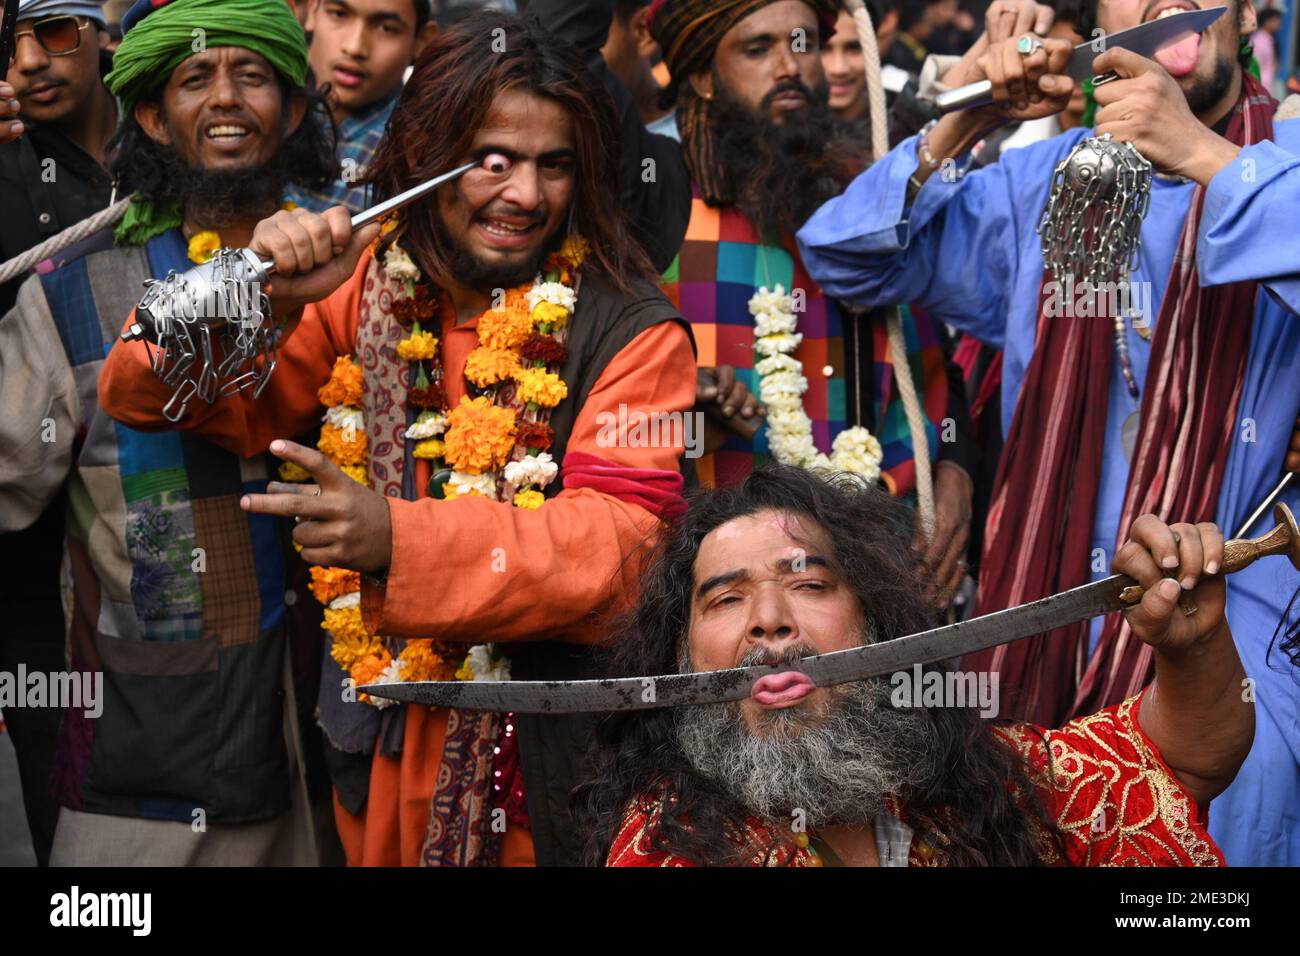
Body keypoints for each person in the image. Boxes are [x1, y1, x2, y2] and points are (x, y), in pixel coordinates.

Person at [100, 10, 698, 867]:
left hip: (540, 771)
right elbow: (147, 397)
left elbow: (628, 543)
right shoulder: (365, 282)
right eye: (493, 162)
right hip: (372, 745)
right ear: (428, 157)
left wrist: (397, 539)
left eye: (553, 166)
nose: (525, 196)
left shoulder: (636, 328)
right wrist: (253, 293)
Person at [797, 0, 1300, 865]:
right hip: (1041, 613)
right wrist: (968, 114)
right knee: (1004, 801)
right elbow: (848, 257)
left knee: (1231, 811)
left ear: (1251, 9)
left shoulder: (1284, 169)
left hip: (1241, 599)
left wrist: (1206, 158)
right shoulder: (1058, 180)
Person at [0, 0, 340, 865]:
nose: (225, 100)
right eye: (195, 79)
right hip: (140, 774)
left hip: (330, 758)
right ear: (152, 114)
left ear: (293, 108)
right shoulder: (71, 292)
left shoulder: (355, 263)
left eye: (253, 75)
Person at [579, 465, 1253, 866]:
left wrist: (1191, 645)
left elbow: (1181, 761)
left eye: (810, 585)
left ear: (874, 623)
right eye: (726, 598)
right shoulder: (665, 849)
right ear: (681, 657)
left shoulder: (980, 785)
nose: (769, 619)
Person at [648, 0, 977, 610]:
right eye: (757, 49)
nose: (789, 67)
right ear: (699, 76)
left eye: (802, 45)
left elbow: (934, 367)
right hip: (716, 599)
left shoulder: (870, 196)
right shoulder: (656, 196)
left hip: (876, 586)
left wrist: (955, 468)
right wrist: (686, 406)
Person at [287, 0, 437, 213]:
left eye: (386, 28)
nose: (354, 47)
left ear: (422, 41)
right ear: (312, 10)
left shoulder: (417, 156)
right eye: (339, 14)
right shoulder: (269, 112)